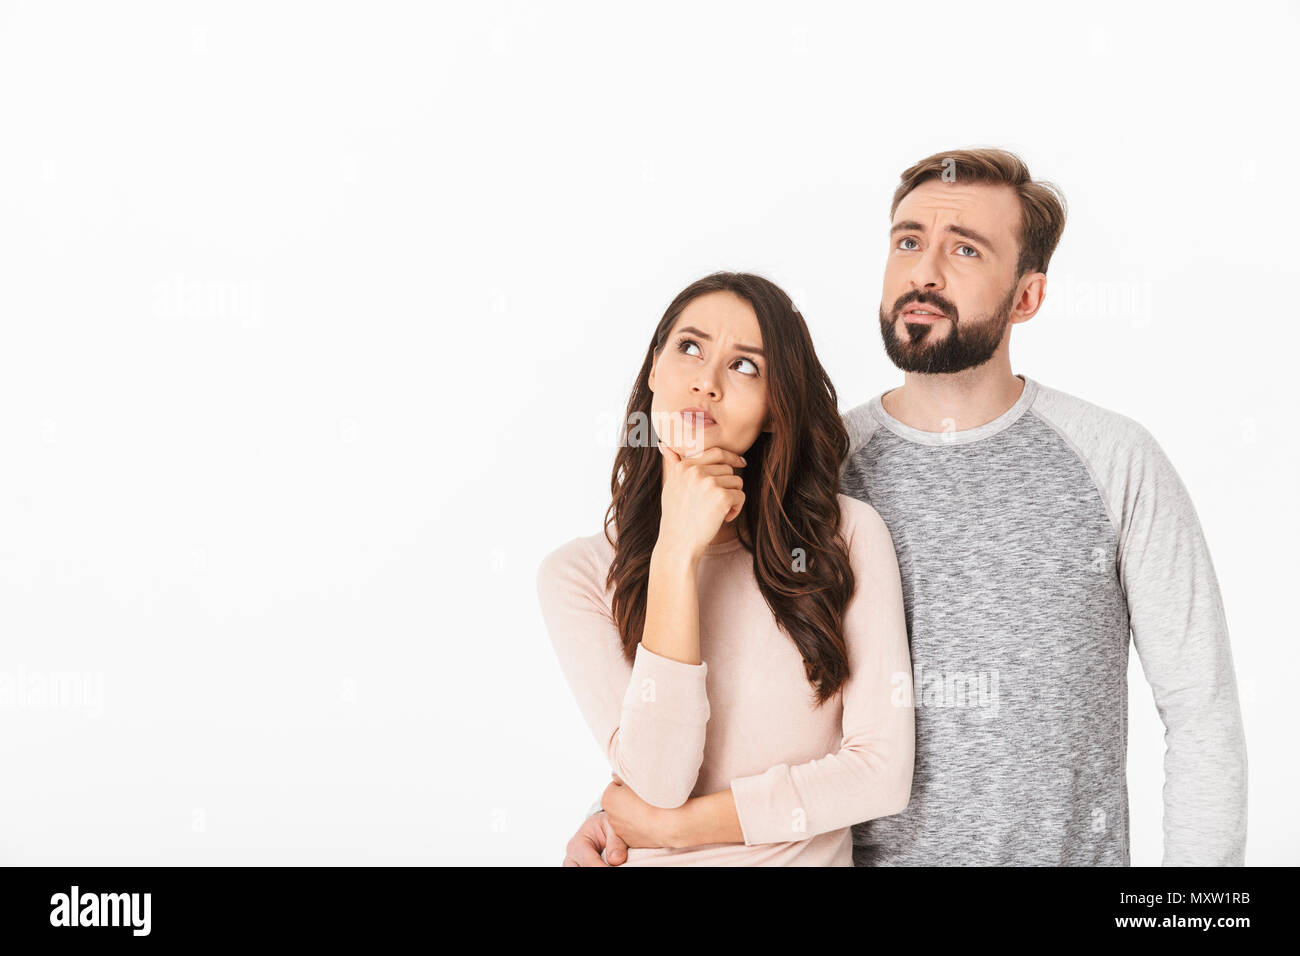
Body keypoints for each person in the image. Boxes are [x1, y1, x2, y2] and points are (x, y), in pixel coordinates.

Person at [560, 148, 1248, 867]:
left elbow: (1201, 713)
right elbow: (731, 691)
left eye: (966, 249)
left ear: (1027, 297)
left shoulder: (1115, 461)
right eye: (909, 241)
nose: (925, 270)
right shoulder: (811, 474)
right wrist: (619, 810)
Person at [535, 272, 915, 865]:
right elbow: (658, 780)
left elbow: (879, 774)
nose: (706, 383)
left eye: (745, 367)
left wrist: (677, 829)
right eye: (689, 348)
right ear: (654, 370)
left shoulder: (844, 535)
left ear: (771, 410)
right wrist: (674, 555)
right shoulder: (577, 574)